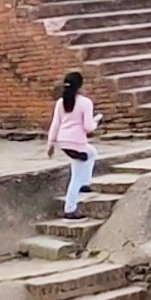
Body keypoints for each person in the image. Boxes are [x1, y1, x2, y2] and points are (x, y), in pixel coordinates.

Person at [46, 71, 102, 220]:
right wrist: (96, 122)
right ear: (80, 85)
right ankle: (70, 209)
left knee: (91, 152)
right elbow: (88, 127)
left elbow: (55, 124)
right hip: (76, 142)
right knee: (76, 176)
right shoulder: (85, 102)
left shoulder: (60, 102)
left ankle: (86, 182)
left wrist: (50, 144)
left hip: (63, 141)